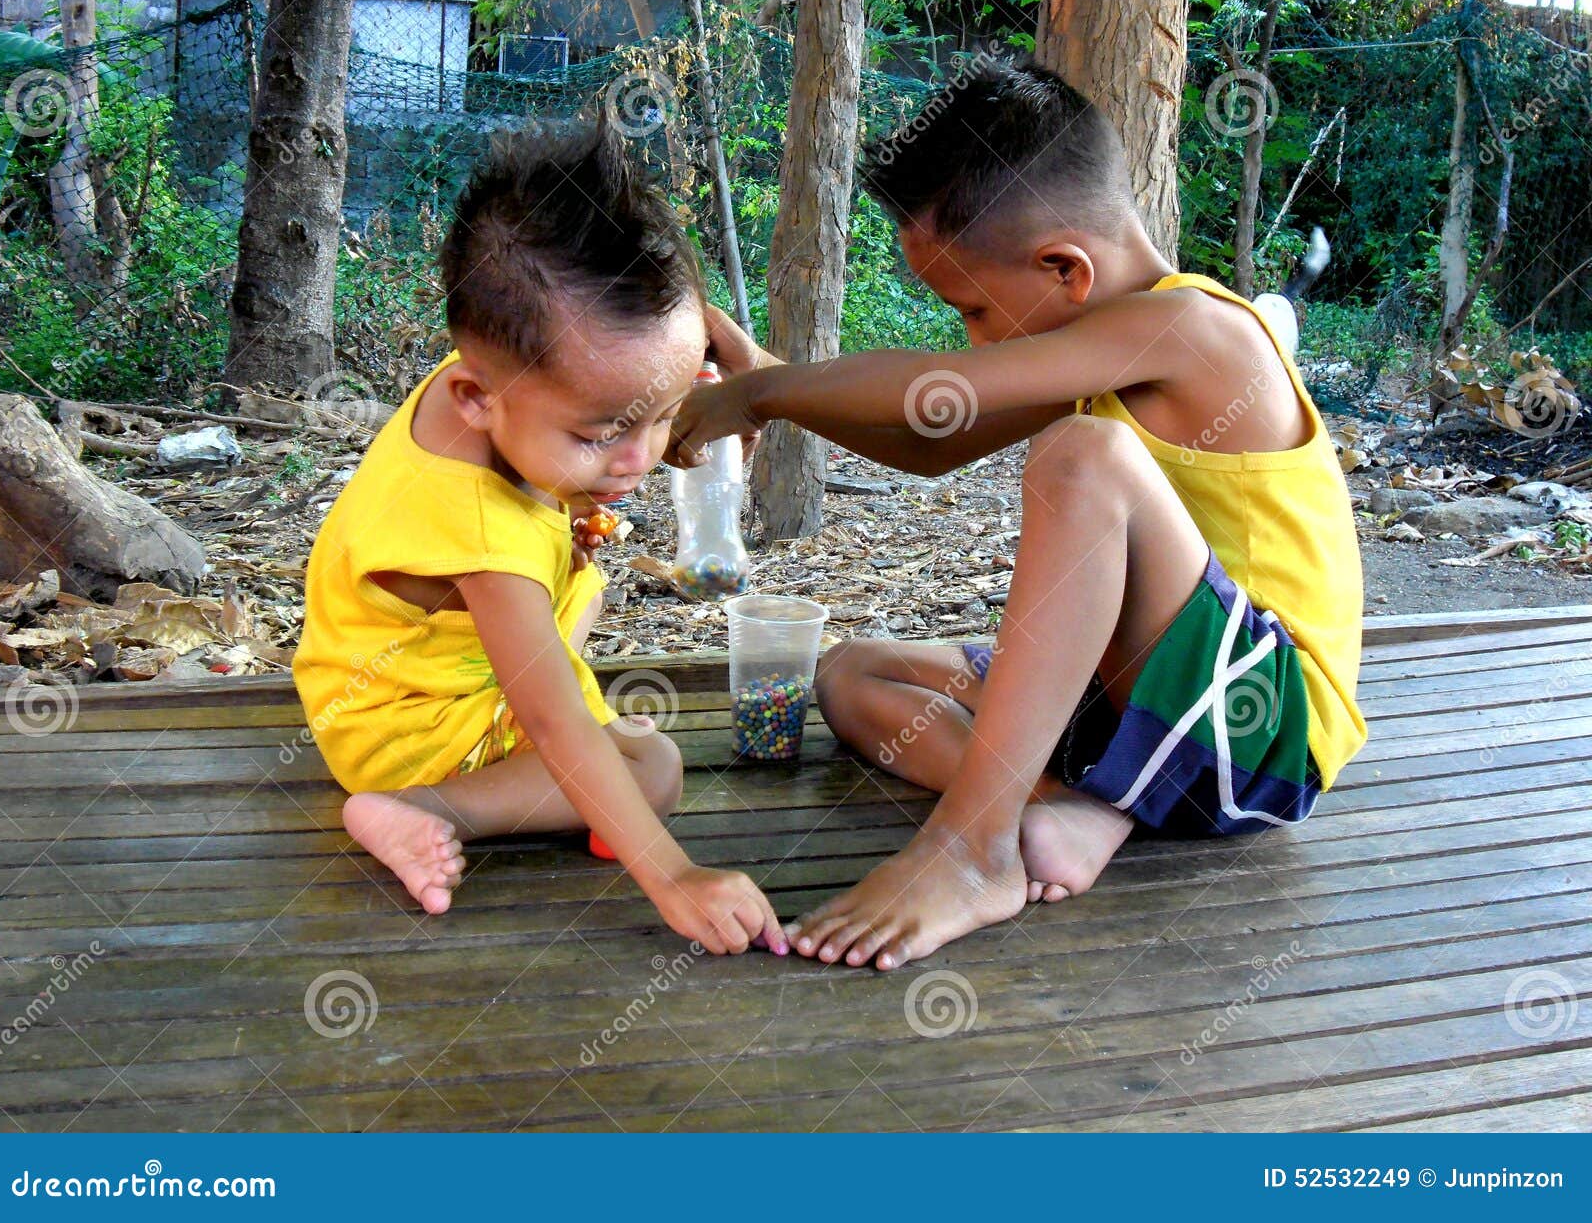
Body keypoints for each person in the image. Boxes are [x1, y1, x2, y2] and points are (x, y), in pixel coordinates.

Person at [671, 59, 1366, 971]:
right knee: (852, 677)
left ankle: (973, 848)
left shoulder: (1192, 332)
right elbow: (934, 440)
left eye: (970, 309)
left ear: (1064, 270)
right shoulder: (1108, 343)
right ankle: (1061, 801)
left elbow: (938, 393)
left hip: (1259, 729)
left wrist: (763, 391)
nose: (968, 336)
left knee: (1086, 460)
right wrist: (770, 384)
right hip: (1132, 708)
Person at [294, 118, 788, 958]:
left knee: (616, 733)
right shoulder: (485, 532)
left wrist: (723, 349)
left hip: (434, 669)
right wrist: (671, 876)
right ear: (476, 397)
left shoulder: (515, 365)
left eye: (664, 414)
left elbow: (662, 320)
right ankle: (422, 810)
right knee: (653, 770)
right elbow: (554, 718)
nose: (644, 456)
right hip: (406, 728)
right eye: (604, 434)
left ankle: (556, 810)